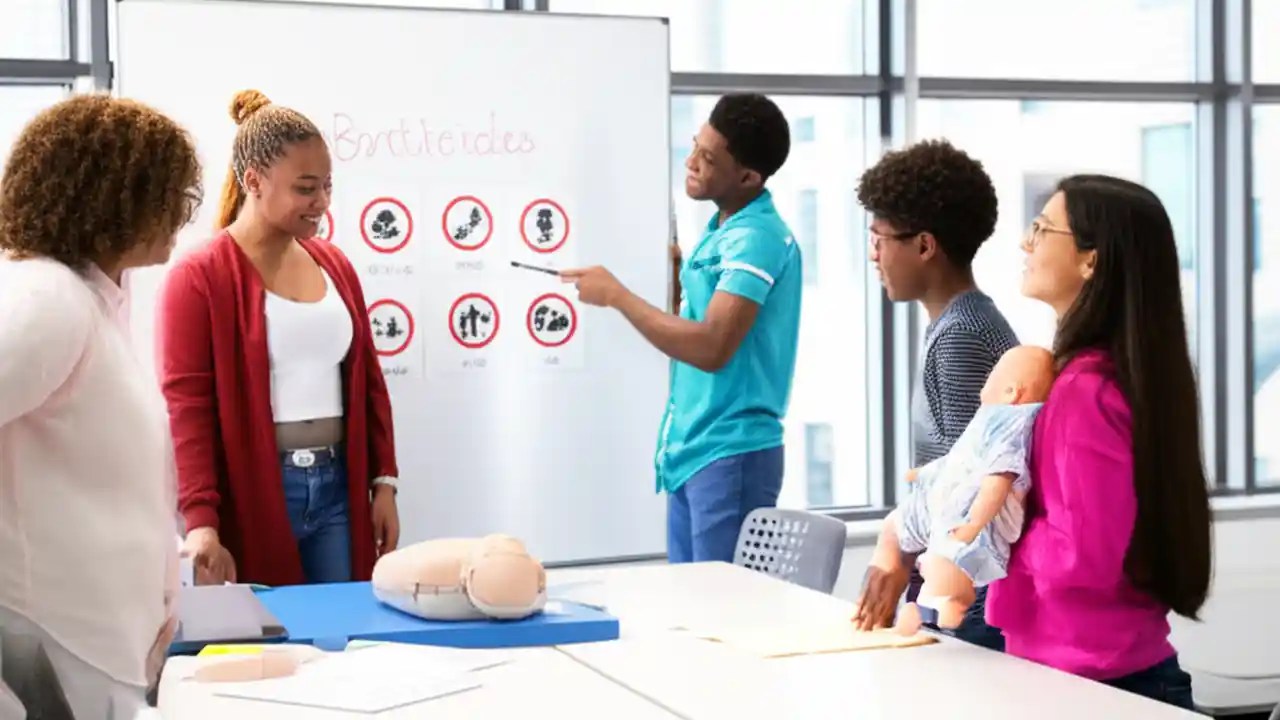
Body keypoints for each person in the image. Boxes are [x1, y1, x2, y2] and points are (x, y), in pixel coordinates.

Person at [0, 94, 200, 716]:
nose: (180, 212)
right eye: (167, 194)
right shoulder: (49, 299)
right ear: (114, 196)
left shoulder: (92, 300)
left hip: (89, 641)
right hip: (51, 646)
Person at [157, 89, 401, 587]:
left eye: (327, 187)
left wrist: (384, 481)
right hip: (259, 490)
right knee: (272, 631)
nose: (322, 203)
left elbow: (370, 381)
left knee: (342, 627)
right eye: (306, 189)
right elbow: (188, 408)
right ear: (253, 181)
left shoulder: (335, 264)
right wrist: (201, 521)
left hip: (339, 486)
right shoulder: (198, 277)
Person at [985, 175, 1212, 710]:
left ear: (1091, 260)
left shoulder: (1086, 389)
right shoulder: (1110, 375)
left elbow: (1080, 557)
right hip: (1093, 676)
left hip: (1098, 686)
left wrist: (998, 524)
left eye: (1042, 229)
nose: (1025, 242)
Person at [561, 93, 800, 563]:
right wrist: (677, 283)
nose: (690, 162)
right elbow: (700, 328)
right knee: (691, 599)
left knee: (722, 604)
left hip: (730, 452)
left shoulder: (756, 238)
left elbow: (712, 347)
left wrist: (617, 296)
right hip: (693, 451)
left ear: (748, 177)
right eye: (695, 146)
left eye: (708, 158)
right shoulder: (722, 230)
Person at [852, 138, 1018, 651]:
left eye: (880, 239)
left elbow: (965, 488)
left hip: (971, 601)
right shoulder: (960, 324)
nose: (874, 254)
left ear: (924, 246)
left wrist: (897, 548)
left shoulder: (962, 337)